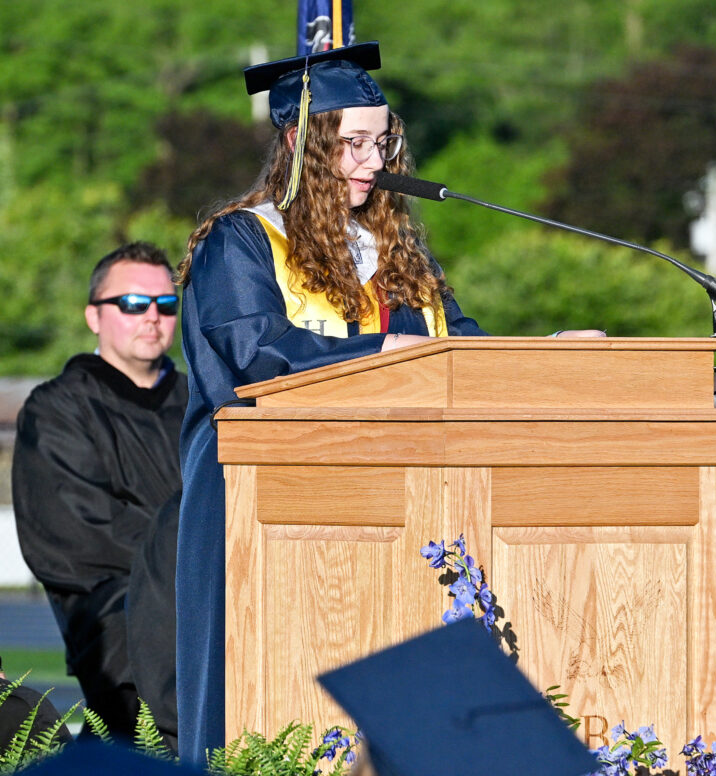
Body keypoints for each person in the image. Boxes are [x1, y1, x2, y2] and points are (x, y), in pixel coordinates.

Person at [174, 43, 600, 763]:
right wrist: (379, 354)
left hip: (406, 509)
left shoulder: (399, 256)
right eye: (354, 145)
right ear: (300, 142)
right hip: (264, 506)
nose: (375, 161)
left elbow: (460, 352)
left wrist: (549, 351)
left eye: (383, 142)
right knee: (260, 695)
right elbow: (255, 357)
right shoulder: (244, 243)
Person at [12, 242, 187, 740]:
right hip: (118, 624)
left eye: (165, 304)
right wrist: (195, 549)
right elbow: (79, 534)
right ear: (94, 316)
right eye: (132, 303)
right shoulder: (58, 410)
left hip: (215, 598)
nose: (151, 316)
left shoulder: (204, 407)